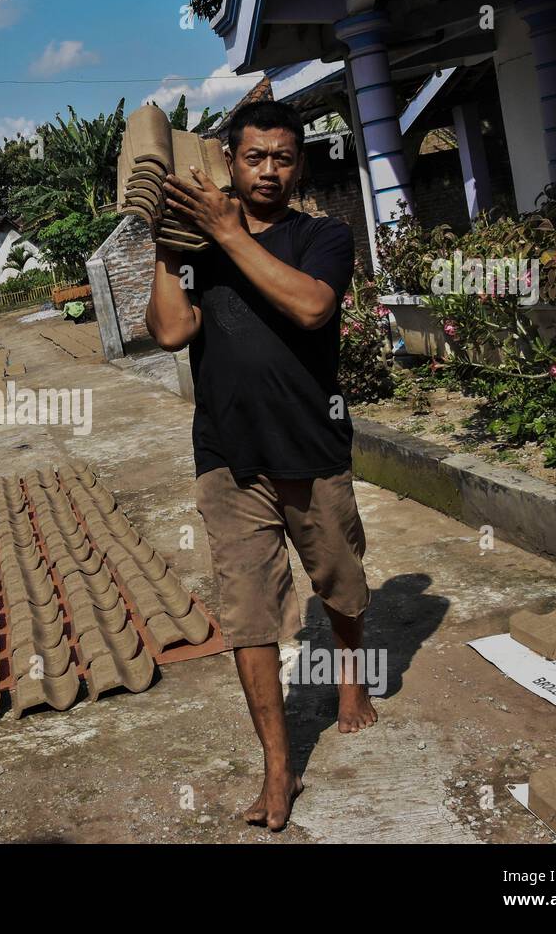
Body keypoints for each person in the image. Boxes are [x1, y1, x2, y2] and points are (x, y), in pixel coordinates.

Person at [146, 100, 375, 832]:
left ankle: (350, 676)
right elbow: (172, 330)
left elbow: (311, 308)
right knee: (247, 615)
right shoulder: (199, 247)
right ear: (231, 162)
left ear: (298, 164)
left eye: (282, 158)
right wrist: (167, 241)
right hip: (228, 456)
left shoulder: (323, 236)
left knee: (338, 579)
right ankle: (278, 766)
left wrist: (226, 231)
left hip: (312, 449)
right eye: (255, 157)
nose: (268, 170)